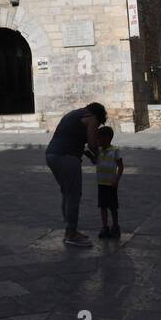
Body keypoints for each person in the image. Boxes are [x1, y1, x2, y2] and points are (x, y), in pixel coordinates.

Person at [45, 102, 106, 247]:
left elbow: (73, 139)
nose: (97, 127)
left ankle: (70, 229)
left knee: (67, 193)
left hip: (52, 154)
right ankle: (71, 234)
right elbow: (91, 143)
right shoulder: (91, 118)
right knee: (73, 194)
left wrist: (87, 154)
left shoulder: (74, 114)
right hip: (66, 156)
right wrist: (99, 157)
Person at [90, 125, 124, 239]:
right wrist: (90, 156)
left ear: (107, 138)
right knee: (103, 206)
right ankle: (105, 227)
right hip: (101, 183)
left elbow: (121, 166)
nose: (97, 141)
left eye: (99, 138)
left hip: (111, 184)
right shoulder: (98, 151)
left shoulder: (115, 151)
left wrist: (117, 178)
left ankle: (115, 226)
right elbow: (96, 162)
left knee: (113, 207)